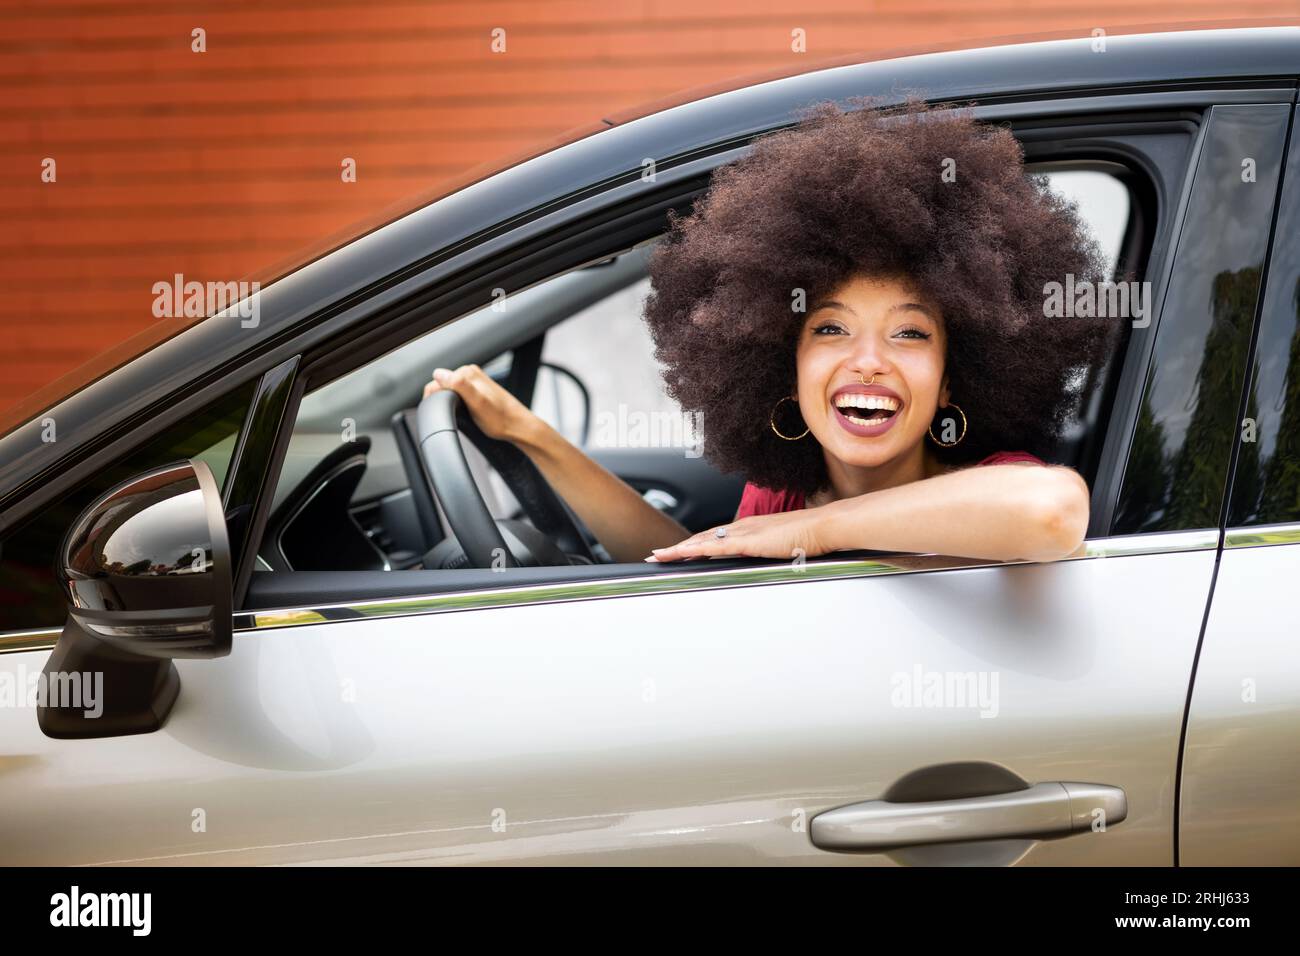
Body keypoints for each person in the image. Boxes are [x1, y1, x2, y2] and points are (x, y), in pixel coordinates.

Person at [424, 98, 1119, 565]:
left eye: (909, 335)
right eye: (830, 330)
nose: (869, 361)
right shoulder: (785, 495)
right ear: (783, 362)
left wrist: (810, 532)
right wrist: (532, 437)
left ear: (951, 382)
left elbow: (1053, 513)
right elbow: (692, 558)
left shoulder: (986, 489)